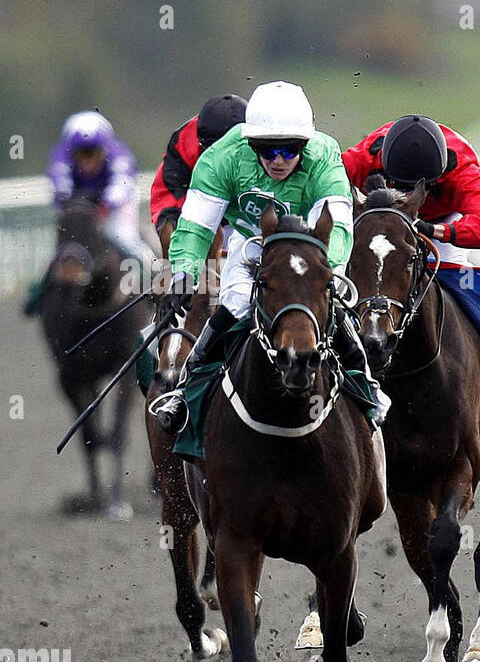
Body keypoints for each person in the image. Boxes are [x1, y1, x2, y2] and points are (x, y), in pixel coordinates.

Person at [149, 81, 386, 433]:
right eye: (267, 150)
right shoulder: (222, 159)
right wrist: (184, 273)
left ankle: (367, 389)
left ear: (305, 145)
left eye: (289, 151)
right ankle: (185, 391)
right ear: (249, 143)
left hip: (310, 247)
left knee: (331, 308)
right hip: (251, 244)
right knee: (235, 304)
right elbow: (196, 228)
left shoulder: (324, 157)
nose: (278, 160)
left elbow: (337, 227)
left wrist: (329, 272)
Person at [342, 115, 480, 381]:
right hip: (382, 219)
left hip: (438, 223)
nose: (408, 196)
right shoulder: (363, 156)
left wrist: (435, 230)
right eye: (399, 185)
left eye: (416, 189)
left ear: (441, 175)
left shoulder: (462, 167)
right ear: (383, 165)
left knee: (459, 277)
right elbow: (325, 187)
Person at [26, 111, 151, 315]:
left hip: (114, 209)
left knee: (125, 240)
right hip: (79, 207)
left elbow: (123, 183)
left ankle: (154, 280)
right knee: (60, 250)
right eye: (82, 154)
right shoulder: (61, 155)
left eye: (94, 153)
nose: (88, 160)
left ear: (105, 150)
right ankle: (38, 293)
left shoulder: (119, 153)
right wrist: (73, 204)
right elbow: (59, 183)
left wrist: (106, 203)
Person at [150, 94, 248, 239]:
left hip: (247, 209)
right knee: (169, 231)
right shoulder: (184, 142)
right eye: (211, 151)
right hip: (200, 203)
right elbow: (167, 193)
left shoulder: (265, 143)